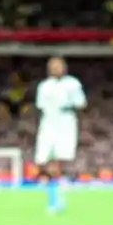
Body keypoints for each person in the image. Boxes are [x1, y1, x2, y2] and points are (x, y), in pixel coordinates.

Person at [35, 57, 86, 213]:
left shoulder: (73, 83)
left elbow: (81, 103)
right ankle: (51, 186)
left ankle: (57, 193)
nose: (56, 68)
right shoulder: (44, 86)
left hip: (66, 121)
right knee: (43, 157)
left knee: (61, 157)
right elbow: (40, 105)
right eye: (53, 66)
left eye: (59, 66)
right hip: (49, 120)